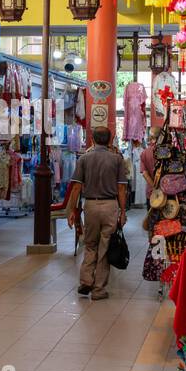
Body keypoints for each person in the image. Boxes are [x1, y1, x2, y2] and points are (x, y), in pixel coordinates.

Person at [64, 126, 128, 300]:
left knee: (90, 245)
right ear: (109, 141)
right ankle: (99, 289)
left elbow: (76, 186)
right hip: (110, 206)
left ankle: (86, 281)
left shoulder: (84, 159)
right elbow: (121, 188)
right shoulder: (117, 160)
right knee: (105, 247)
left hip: (90, 206)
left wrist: (71, 210)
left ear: (92, 139)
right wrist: (123, 212)